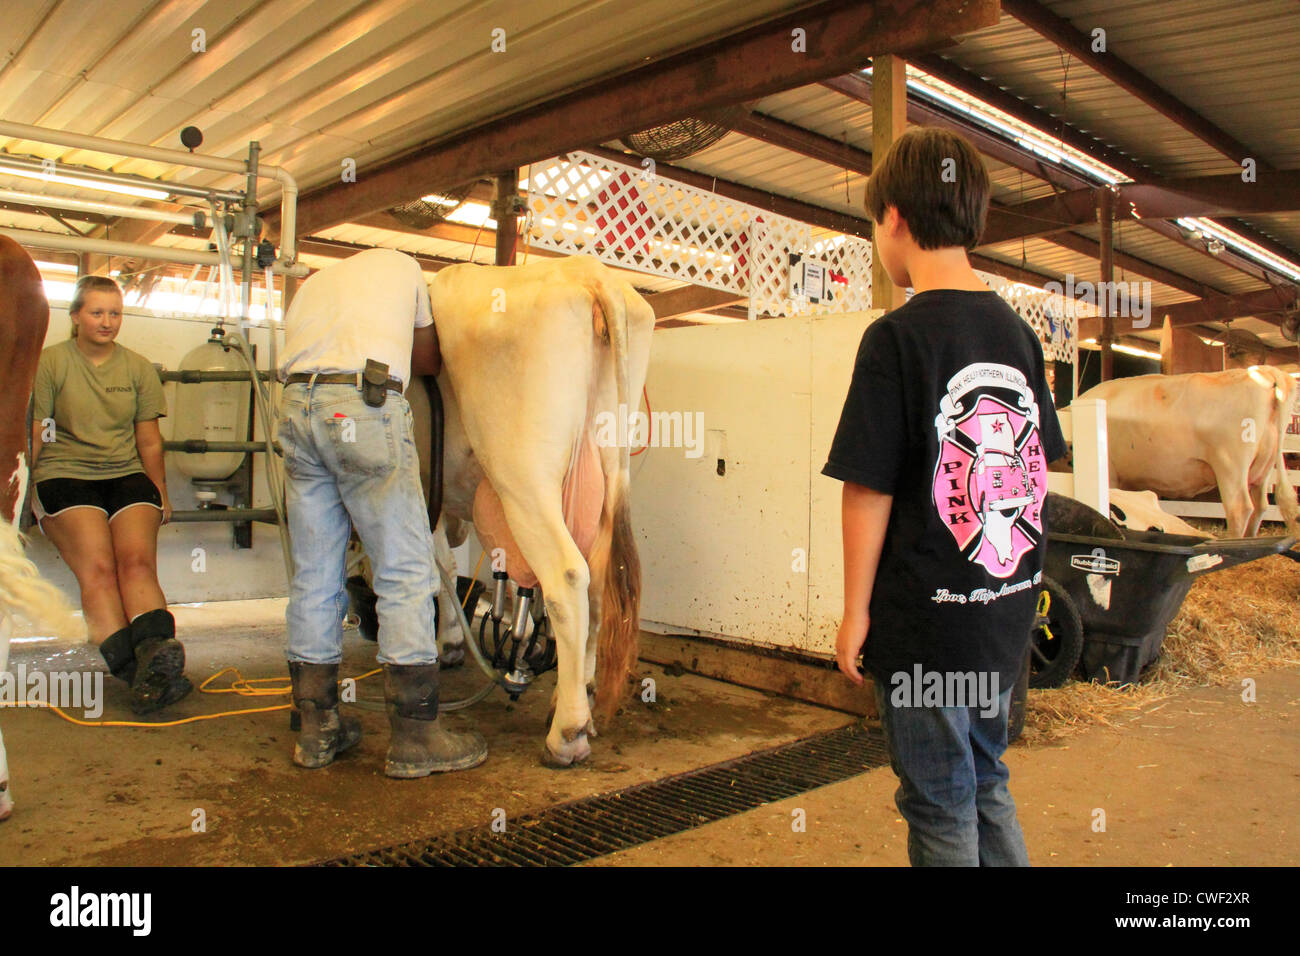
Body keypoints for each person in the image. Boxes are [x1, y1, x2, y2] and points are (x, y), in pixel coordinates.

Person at [823, 128, 1066, 866]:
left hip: (924, 626)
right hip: (1001, 617)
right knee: (986, 775)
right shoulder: (1018, 334)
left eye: (874, 228)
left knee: (937, 796)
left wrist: (855, 611)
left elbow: (869, 487)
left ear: (893, 218)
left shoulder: (895, 339)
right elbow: (1041, 465)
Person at [276, 247, 486, 776]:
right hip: (362, 405)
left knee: (314, 574)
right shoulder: (407, 268)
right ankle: (416, 736)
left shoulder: (315, 283)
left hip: (297, 408)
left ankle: (317, 729)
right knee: (405, 570)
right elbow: (429, 362)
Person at [30, 275, 191, 714]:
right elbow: (38, 429)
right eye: (97, 312)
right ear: (76, 316)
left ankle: (158, 652)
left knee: (136, 562)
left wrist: (159, 491)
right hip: (64, 473)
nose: (107, 321)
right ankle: (135, 673)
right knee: (99, 569)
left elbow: (150, 440)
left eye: (115, 313)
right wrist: (22, 489)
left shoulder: (136, 368)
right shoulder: (50, 364)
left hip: (124, 473)